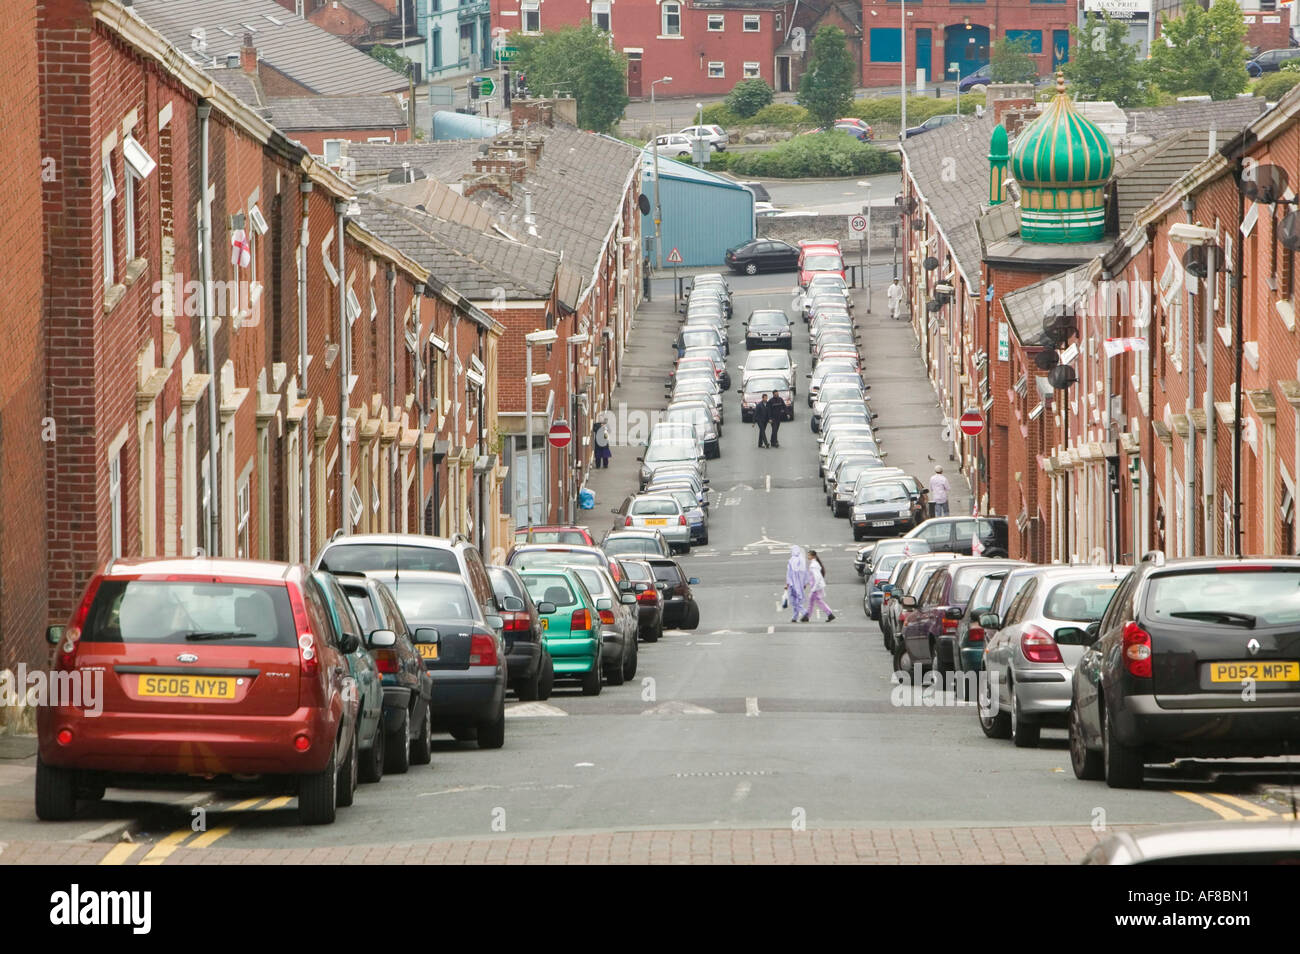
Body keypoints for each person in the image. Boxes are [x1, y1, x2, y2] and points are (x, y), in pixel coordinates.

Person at [802, 549, 836, 622]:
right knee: (816, 601)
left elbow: (817, 577)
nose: (807, 556)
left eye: (809, 555)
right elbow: (812, 577)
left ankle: (807, 616)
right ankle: (829, 614)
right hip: (816, 586)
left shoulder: (813, 565)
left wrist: (814, 588)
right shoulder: (815, 564)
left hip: (815, 587)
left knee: (813, 602)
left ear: (813, 556)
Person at [785, 545, 809, 623]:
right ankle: (795, 617)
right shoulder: (802, 560)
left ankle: (804, 613)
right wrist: (805, 583)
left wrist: (788, 583)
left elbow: (789, 574)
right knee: (797, 599)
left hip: (793, 584)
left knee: (794, 600)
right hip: (800, 584)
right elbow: (805, 573)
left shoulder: (791, 560)